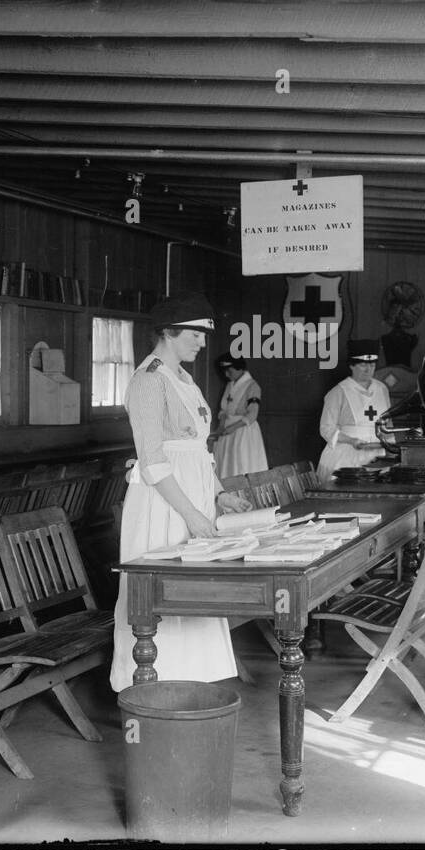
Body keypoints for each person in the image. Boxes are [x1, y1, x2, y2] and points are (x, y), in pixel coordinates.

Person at [110, 292, 252, 692]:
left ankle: (190, 683)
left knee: (194, 590)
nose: (203, 343)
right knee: (161, 591)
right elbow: (153, 461)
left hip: (192, 501)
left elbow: (197, 452)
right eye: (196, 335)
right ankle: (150, 686)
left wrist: (219, 494)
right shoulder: (148, 380)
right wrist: (191, 513)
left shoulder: (184, 379)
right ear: (171, 333)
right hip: (163, 506)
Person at [317, 338, 391, 479]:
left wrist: (391, 448)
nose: (368, 369)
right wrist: (351, 441)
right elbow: (326, 428)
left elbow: (388, 423)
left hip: (377, 455)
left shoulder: (382, 389)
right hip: (346, 455)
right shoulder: (339, 391)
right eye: (363, 364)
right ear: (352, 365)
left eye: (372, 364)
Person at [211, 353, 268, 476]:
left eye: (229, 371)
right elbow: (224, 410)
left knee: (241, 465)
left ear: (240, 368)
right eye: (224, 372)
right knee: (226, 466)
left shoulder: (253, 386)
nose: (226, 375)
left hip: (243, 431)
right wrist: (221, 427)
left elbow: (252, 414)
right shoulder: (230, 385)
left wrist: (232, 428)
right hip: (227, 431)